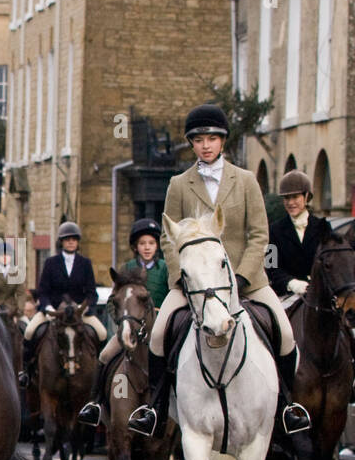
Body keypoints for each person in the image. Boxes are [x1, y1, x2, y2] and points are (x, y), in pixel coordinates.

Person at [128, 104, 310, 438]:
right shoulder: (179, 184)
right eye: (199, 140)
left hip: (247, 281)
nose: (206, 145)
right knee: (157, 336)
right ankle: (153, 408)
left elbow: (259, 235)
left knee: (285, 334)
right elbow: (168, 238)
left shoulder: (245, 181)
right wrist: (179, 278)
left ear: (222, 142)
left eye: (213, 138)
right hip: (195, 285)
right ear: (192, 144)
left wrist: (240, 277)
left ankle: (288, 406)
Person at [268, 169, 355, 395]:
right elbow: (270, 267)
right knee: (273, 329)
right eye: (287, 198)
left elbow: (331, 259)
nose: (291, 202)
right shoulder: (273, 230)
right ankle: (276, 385)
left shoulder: (323, 227)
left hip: (321, 292)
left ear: (307, 197)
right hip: (288, 293)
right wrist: (293, 283)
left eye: (296, 197)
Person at [79, 217, 167, 427]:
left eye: (151, 244)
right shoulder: (127, 267)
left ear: (157, 246)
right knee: (105, 355)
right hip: (131, 329)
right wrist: (122, 319)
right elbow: (112, 301)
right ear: (136, 247)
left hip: (158, 329)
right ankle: (95, 404)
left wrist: (160, 312)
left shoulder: (164, 269)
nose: (147, 248)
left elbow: (171, 295)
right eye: (143, 244)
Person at [18, 222, 107, 387]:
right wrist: (49, 308)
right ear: (62, 242)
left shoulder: (85, 263)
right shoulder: (51, 263)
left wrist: (85, 307)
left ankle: (102, 374)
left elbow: (91, 293)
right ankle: (26, 372)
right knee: (29, 332)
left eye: (74, 239)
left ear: (78, 242)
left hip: (78, 313)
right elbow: (43, 291)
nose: (71, 242)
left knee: (102, 334)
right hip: (54, 312)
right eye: (67, 239)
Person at [0, 245, 26, 318]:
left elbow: (21, 293)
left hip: (13, 310)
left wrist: (20, 309)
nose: (5, 258)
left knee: (26, 327)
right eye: (2, 255)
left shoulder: (17, 273)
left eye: (8, 255)